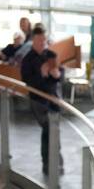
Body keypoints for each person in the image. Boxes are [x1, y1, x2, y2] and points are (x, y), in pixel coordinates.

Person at [22, 31, 63, 176]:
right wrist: (42, 74)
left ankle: (55, 161)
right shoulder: (27, 60)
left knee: (53, 130)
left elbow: (60, 73)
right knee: (48, 129)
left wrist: (57, 75)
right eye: (39, 41)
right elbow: (28, 82)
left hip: (53, 98)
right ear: (33, 41)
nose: (42, 43)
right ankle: (49, 163)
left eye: (44, 41)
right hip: (38, 100)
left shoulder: (50, 55)